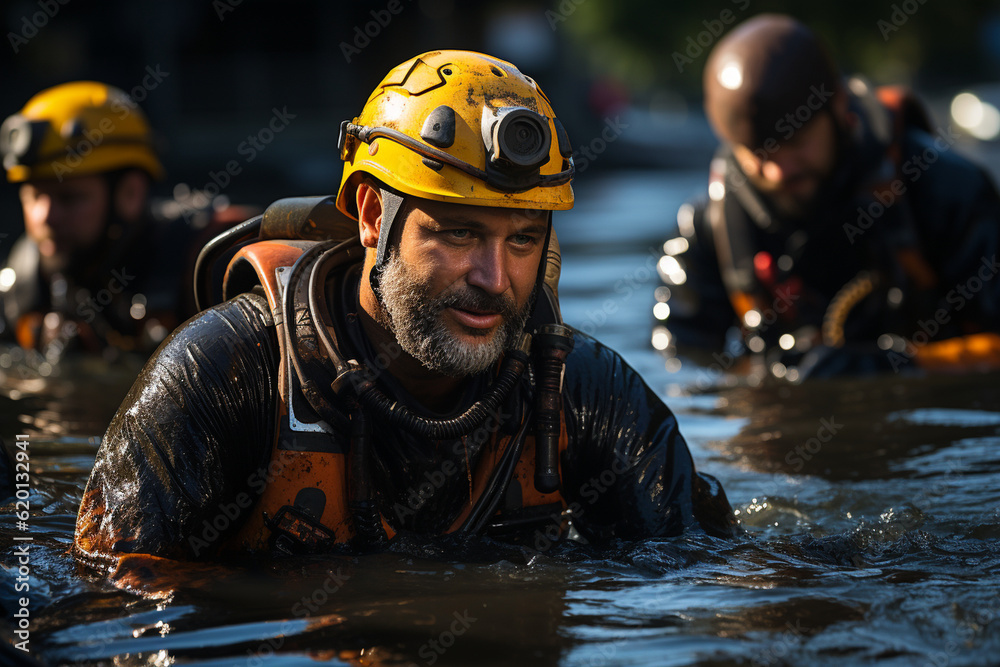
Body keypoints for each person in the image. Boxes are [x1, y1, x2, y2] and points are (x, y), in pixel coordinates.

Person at [73, 51, 736, 567]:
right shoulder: (222, 377)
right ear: (370, 215)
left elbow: (696, 571)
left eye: (523, 239)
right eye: (458, 232)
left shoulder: (586, 393)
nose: (493, 278)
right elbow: (114, 612)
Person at [652, 15, 1000, 381]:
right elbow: (680, 363)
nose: (779, 171)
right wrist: (766, 377)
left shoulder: (945, 189)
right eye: (759, 154)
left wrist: (894, 366)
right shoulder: (710, 226)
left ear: (837, 108)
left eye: (797, 143)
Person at [0, 81, 242, 360]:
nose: (44, 217)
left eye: (69, 198)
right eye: (32, 197)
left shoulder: (214, 264)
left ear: (130, 193)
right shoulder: (22, 286)